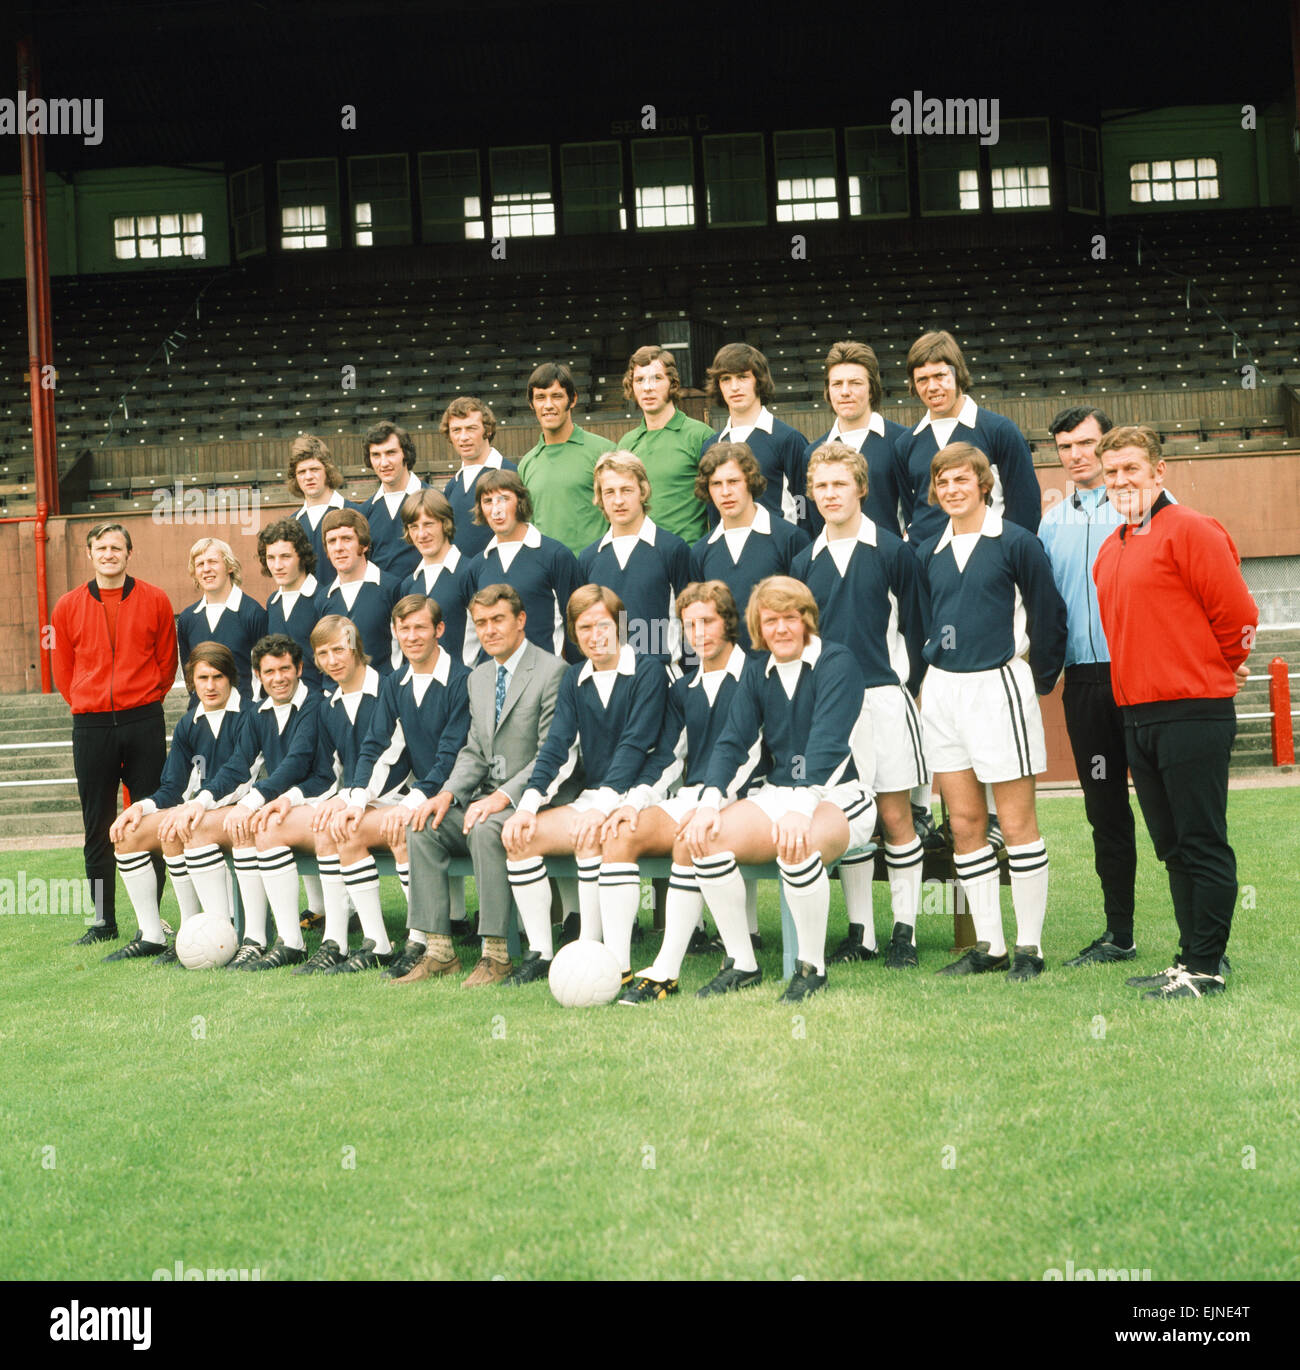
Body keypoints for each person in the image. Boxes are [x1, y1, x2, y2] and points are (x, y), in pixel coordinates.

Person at [1093, 425, 1256, 1002]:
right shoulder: (1112, 547)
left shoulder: (1192, 530)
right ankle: (1190, 957)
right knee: (1171, 845)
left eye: (1132, 469)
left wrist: (1216, 669)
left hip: (1193, 712)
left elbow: (1238, 617)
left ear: (1159, 472)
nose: (1121, 481)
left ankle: (1207, 969)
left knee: (1202, 839)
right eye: (1111, 472)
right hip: (1137, 717)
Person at [913, 444, 1067, 981]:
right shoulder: (928, 551)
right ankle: (991, 946)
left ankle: (1030, 948)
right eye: (943, 483)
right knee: (964, 824)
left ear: (984, 484)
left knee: (1019, 822)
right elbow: (919, 624)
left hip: (998, 685)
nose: (952, 490)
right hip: (943, 690)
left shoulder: (1016, 542)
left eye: (962, 480)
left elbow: (1050, 615)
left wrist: (1039, 678)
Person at [682, 576, 876, 1002]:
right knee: (704, 840)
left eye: (791, 618)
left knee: (798, 843)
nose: (781, 629)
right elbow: (732, 741)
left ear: (807, 620)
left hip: (841, 794)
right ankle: (741, 961)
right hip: (778, 792)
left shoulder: (837, 662)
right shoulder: (758, 672)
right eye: (771, 620)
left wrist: (804, 806)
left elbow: (829, 742)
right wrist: (710, 802)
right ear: (758, 626)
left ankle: (811, 967)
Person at [792, 442, 930, 968]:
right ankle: (862, 933)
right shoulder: (804, 560)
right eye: (821, 486)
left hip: (884, 702)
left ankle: (905, 933)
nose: (830, 494)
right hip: (831, 709)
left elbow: (917, 632)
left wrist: (899, 687)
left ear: (861, 488)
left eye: (839, 484)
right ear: (811, 493)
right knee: (847, 815)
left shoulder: (894, 552)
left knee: (895, 816)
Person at [400, 584, 575, 987]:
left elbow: (552, 751)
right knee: (422, 823)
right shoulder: (479, 676)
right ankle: (439, 951)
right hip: (483, 797)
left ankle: (496, 953)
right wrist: (446, 794)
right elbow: (475, 750)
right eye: (481, 623)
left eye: (498, 620)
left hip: (535, 798)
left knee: (486, 827)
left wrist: (501, 797)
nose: (489, 630)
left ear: (521, 621)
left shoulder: (552, 671)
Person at [604, 581, 763, 1003]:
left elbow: (748, 754)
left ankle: (666, 969)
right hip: (693, 796)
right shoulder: (684, 689)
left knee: (687, 842)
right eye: (690, 625)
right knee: (621, 833)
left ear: (728, 622)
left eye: (708, 621)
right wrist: (633, 802)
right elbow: (667, 759)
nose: (700, 633)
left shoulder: (757, 674)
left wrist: (713, 803)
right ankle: (615, 967)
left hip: (747, 797)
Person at [502, 585, 669, 985]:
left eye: (603, 625)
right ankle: (541, 952)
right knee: (520, 837)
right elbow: (557, 745)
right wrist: (526, 805)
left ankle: (591, 948)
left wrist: (603, 807)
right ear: (574, 635)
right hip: (595, 795)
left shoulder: (649, 670)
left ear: (619, 625)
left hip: (643, 796)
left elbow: (637, 744)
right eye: (585, 628)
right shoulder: (575, 677)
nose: (595, 636)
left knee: (593, 833)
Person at [1037, 406, 1143, 967]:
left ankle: (1202, 943)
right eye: (1064, 447)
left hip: (1144, 678)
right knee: (1105, 811)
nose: (1076, 455)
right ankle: (1118, 934)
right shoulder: (1051, 523)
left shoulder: (1138, 510)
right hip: (1084, 683)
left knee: (1168, 809)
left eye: (1086, 443)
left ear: (1107, 446)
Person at [171, 633, 331, 970]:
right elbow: (238, 765)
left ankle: (292, 941)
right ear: (258, 676)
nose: (278, 678)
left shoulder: (316, 705)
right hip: (284, 800)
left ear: (299, 668)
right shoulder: (259, 713)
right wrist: (202, 801)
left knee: (262, 823)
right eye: (269, 672)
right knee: (211, 825)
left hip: (322, 796)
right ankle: (245, 938)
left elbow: (298, 763)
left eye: (285, 669)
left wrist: (253, 800)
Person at [329, 594, 472, 971]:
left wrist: (412, 801)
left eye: (420, 627)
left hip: (462, 794)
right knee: (350, 828)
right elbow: (377, 745)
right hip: (424, 792)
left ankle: (421, 939)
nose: (412, 636)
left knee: (405, 825)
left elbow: (452, 753)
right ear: (395, 632)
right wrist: (357, 800)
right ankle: (377, 943)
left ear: (439, 630)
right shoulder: (396, 683)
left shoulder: (463, 680)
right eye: (403, 628)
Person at [52, 521, 178, 946]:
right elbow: (64, 672)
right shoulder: (67, 606)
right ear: (90, 553)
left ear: (129, 553)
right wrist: (90, 703)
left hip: (143, 719)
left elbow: (166, 662)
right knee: (97, 823)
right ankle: (102, 921)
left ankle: (151, 920)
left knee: (151, 821)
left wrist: (141, 700)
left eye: (117, 548)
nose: (109, 554)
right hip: (91, 726)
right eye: (101, 548)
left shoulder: (156, 600)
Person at [246, 615, 390, 974]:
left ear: (356, 646)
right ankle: (299, 942)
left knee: (334, 826)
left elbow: (390, 759)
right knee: (269, 826)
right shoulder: (329, 706)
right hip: (353, 801)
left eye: (339, 649)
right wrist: (290, 798)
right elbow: (326, 774)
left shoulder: (390, 691)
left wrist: (350, 799)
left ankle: (362, 942)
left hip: (393, 799)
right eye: (323, 653)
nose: (332, 660)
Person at [107, 643, 253, 963]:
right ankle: (156, 935)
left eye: (218, 676)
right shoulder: (189, 723)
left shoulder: (251, 716)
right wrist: (139, 807)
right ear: (192, 682)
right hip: (198, 811)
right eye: (202, 678)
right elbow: (172, 786)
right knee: (128, 835)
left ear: (231, 678)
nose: (210, 685)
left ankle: (212, 931)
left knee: (185, 824)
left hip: (245, 810)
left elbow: (238, 774)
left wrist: (197, 804)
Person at [894, 329, 1041, 546]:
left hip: (989, 561)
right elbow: (912, 513)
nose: (932, 387)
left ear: (958, 373)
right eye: (922, 379)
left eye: (940, 376)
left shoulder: (1000, 431)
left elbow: (1025, 508)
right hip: (926, 566)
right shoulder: (905, 444)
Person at [688, 442, 810, 651]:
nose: (725, 492)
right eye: (716, 484)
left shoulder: (790, 539)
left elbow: (808, 614)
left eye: (733, 481)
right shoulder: (700, 552)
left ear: (750, 481)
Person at [578, 451, 693, 668]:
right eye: (609, 492)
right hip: (607, 681)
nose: (618, 500)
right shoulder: (588, 558)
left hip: (663, 679)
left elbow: (694, 624)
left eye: (626, 490)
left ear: (642, 491)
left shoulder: (672, 549)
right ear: (600, 497)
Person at [463, 469, 583, 662]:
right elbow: (471, 635)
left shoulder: (556, 556)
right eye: (488, 501)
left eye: (503, 498)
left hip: (544, 680)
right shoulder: (477, 566)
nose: (496, 509)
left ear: (520, 502)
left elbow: (577, 624)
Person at [803, 340, 908, 537]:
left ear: (871, 388)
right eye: (837, 384)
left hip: (891, 562)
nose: (845, 392)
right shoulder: (812, 453)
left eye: (855, 383)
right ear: (828, 390)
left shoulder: (904, 441)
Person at [700, 343, 810, 531]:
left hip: (782, 552)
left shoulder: (788, 439)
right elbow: (714, 517)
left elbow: (806, 504)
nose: (734, 387)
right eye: (726, 379)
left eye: (743, 377)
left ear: (759, 381)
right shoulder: (711, 445)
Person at [616, 344, 714, 542]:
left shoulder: (701, 436)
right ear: (631, 386)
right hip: (642, 558)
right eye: (640, 380)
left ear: (673, 383)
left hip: (688, 559)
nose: (648, 387)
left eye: (657, 378)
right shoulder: (627, 444)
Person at [516, 361, 613, 554]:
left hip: (593, 573)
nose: (548, 405)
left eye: (557, 396)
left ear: (573, 399)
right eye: (540, 397)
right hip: (547, 575)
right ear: (531, 404)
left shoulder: (604, 451)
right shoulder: (527, 463)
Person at [174, 537, 267, 703]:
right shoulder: (188, 618)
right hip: (203, 715)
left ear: (230, 566)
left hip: (244, 717)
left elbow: (264, 674)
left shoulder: (253, 614)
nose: (206, 569)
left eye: (213, 561)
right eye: (200, 564)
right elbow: (190, 676)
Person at [397, 489, 477, 669]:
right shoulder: (409, 584)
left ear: (445, 524)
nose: (421, 534)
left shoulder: (469, 572)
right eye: (414, 527)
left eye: (428, 524)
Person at [319, 507, 402, 677]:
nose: (338, 547)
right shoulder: (323, 599)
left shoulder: (392, 588)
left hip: (384, 693)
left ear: (364, 545)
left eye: (346, 539)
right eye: (332, 541)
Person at [438, 396, 516, 560]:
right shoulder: (452, 486)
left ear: (487, 430)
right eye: (456, 430)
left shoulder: (512, 475)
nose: (463, 437)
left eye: (471, 428)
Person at [258, 518, 328, 693]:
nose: (277, 566)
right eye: (271, 558)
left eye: (285, 557)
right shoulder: (273, 603)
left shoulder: (324, 599)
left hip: (318, 701)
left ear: (302, 557)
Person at [287, 433, 363, 577]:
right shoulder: (291, 523)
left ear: (327, 471)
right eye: (302, 472)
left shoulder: (356, 513)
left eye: (314, 469)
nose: (308, 476)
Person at [361, 420, 424, 581]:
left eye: (391, 453)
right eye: (376, 455)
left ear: (405, 453)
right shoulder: (364, 512)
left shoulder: (435, 499)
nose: (384, 463)